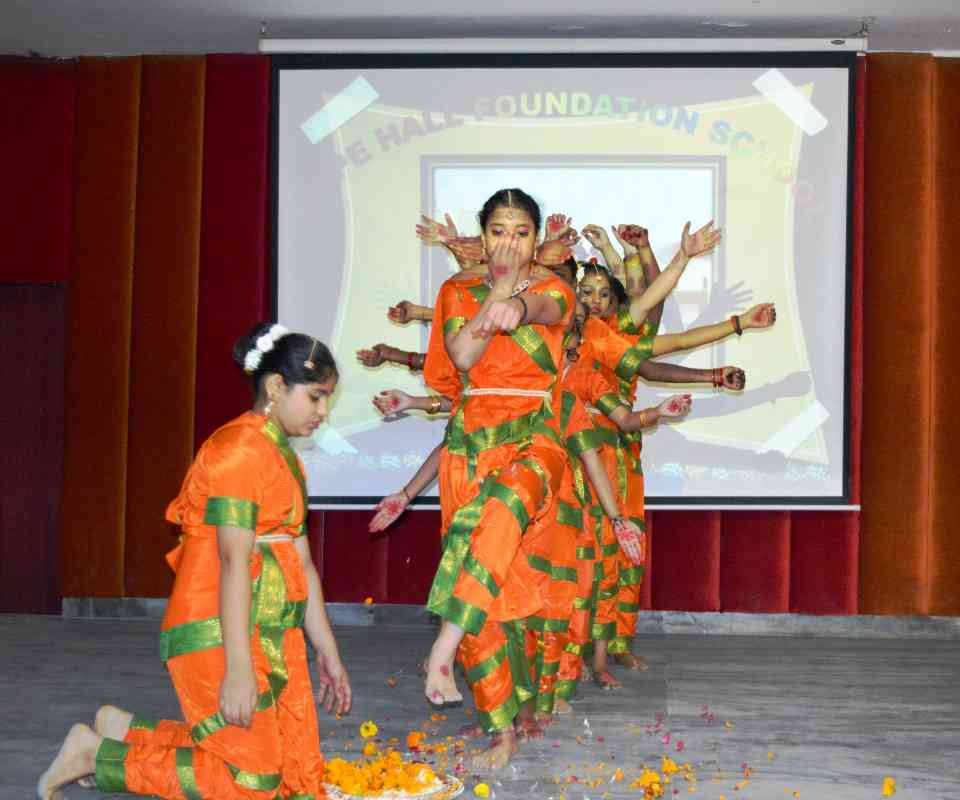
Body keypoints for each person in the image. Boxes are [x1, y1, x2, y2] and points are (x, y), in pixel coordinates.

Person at [38, 323, 351, 800]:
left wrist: (327, 652)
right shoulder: (237, 452)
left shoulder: (285, 457)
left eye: (327, 398)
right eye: (315, 397)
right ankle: (99, 757)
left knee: (296, 777)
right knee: (256, 780)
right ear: (275, 387)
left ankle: (126, 733)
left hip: (273, 633)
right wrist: (239, 668)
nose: (323, 412)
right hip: (218, 631)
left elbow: (302, 565)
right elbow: (232, 563)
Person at [421, 188, 575, 770]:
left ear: (537, 241)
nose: (509, 242)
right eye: (499, 231)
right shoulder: (456, 292)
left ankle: (445, 641)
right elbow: (460, 357)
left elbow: (544, 313)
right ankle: (501, 726)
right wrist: (497, 296)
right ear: (482, 237)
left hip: (535, 435)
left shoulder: (556, 290)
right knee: (483, 576)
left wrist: (518, 303)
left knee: (514, 521)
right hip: (468, 446)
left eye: (521, 232)